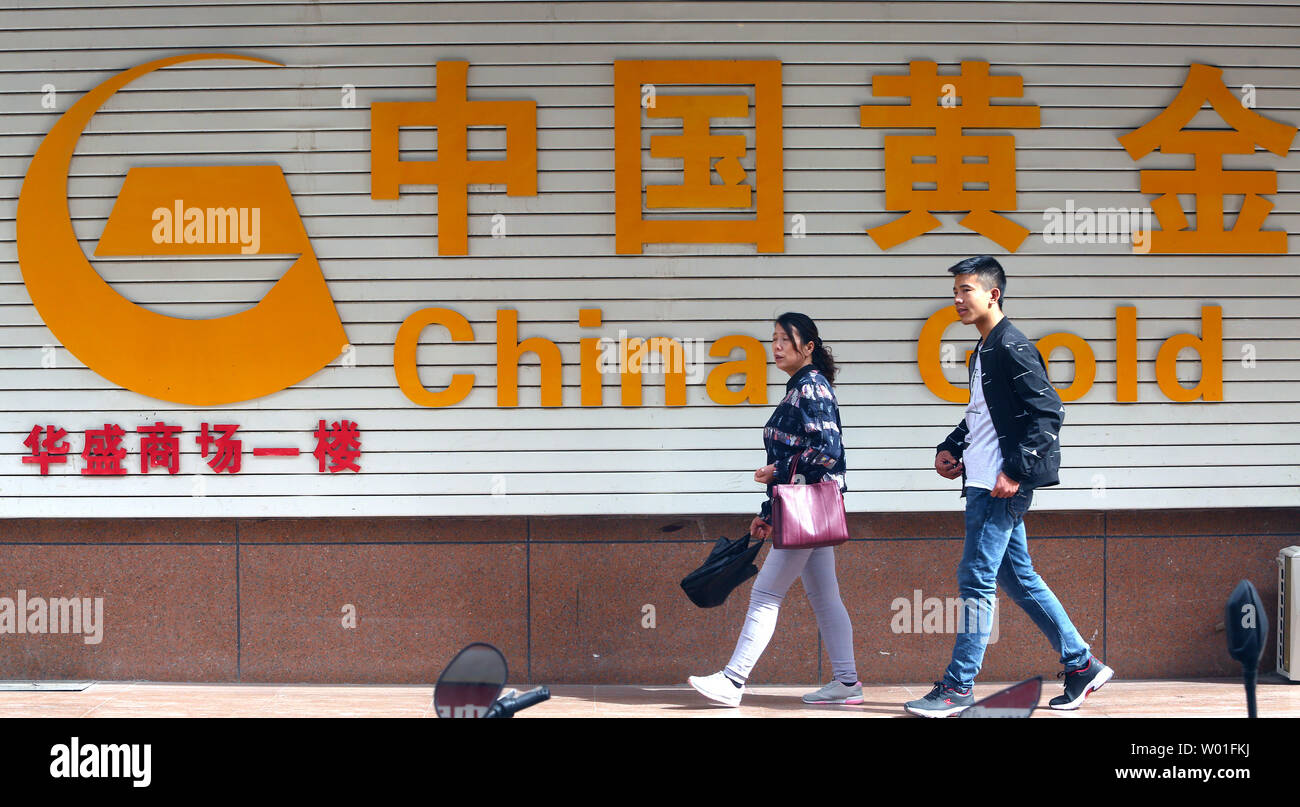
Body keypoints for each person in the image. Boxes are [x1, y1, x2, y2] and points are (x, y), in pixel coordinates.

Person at [904, 256, 1114, 717]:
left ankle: (958, 688)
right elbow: (982, 414)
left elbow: (1049, 414)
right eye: (956, 291)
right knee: (1018, 579)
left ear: (992, 294)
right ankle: (1081, 664)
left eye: (966, 290)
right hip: (982, 481)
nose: (957, 299)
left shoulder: (1012, 346)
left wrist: (1016, 471)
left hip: (1000, 486)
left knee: (976, 581)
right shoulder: (984, 349)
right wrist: (952, 446)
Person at [688, 313, 861, 707]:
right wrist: (768, 512)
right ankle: (848, 683)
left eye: (786, 338)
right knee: (824, 596)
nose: (777, 346)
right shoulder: (800, 388)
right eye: (774, 339)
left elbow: (827, 452)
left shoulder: (811, 388)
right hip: (806, 507)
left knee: (766, 594)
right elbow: (802, 452)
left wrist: (775, 472)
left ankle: (733, 680)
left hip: (807, 508)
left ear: (809, 347)